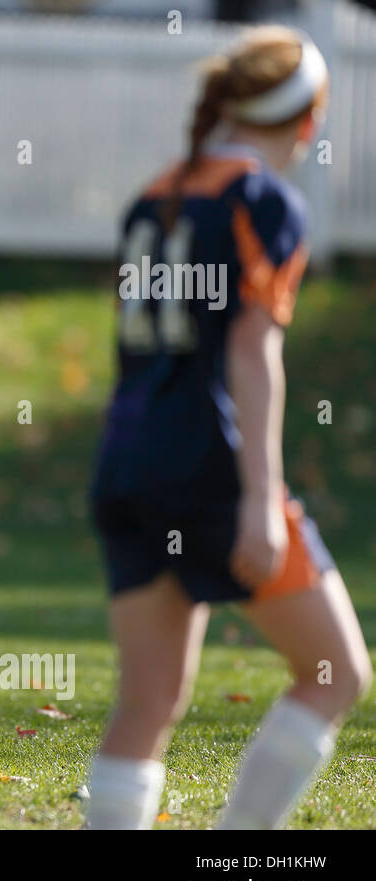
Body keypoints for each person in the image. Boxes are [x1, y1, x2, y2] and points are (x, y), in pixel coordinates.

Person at [85, 27, 371, 829]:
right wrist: (260, 499)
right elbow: (251, 349)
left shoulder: (159, 189)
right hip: (207, 467)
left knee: (148, 701)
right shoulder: (264, 199)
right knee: (335, 673)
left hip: (126, 465)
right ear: (308, 118)